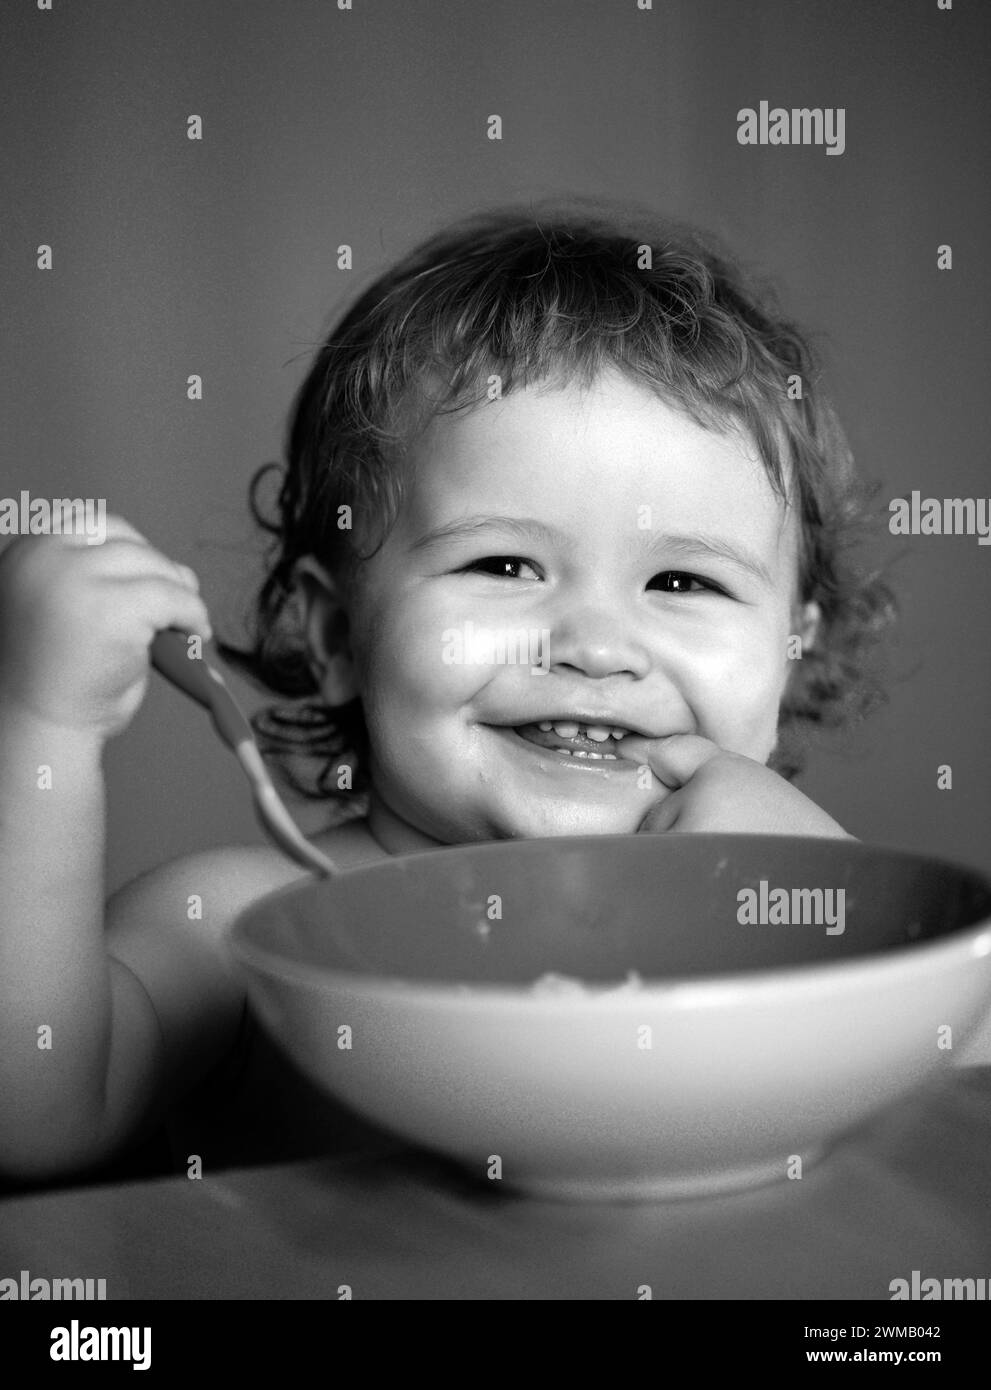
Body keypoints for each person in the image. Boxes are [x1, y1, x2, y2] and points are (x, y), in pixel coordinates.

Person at [0, 199, 899, 1183]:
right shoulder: (237, 925)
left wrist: (833, 894)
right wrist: (39, 725)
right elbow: (32, 1118)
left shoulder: (789, 915)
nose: (596, 647)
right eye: (505, 566)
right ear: (337, 632)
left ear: (791, 654)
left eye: (682, 582)